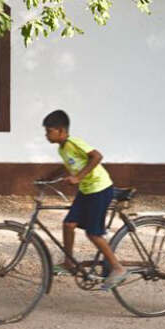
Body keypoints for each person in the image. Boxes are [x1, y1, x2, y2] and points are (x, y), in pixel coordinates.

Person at [40, 109, 129, 290]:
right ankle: (68, 262)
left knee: (93, 233)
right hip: (86, 191)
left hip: (99, 189)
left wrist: (79, 177)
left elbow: (97, 156)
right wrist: (46, 178)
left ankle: (118, 268)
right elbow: (67, 167)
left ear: (62, 131)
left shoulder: (74, 142)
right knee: (69, 224)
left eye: (49, 131)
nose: (46, 135)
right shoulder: (62, 148)